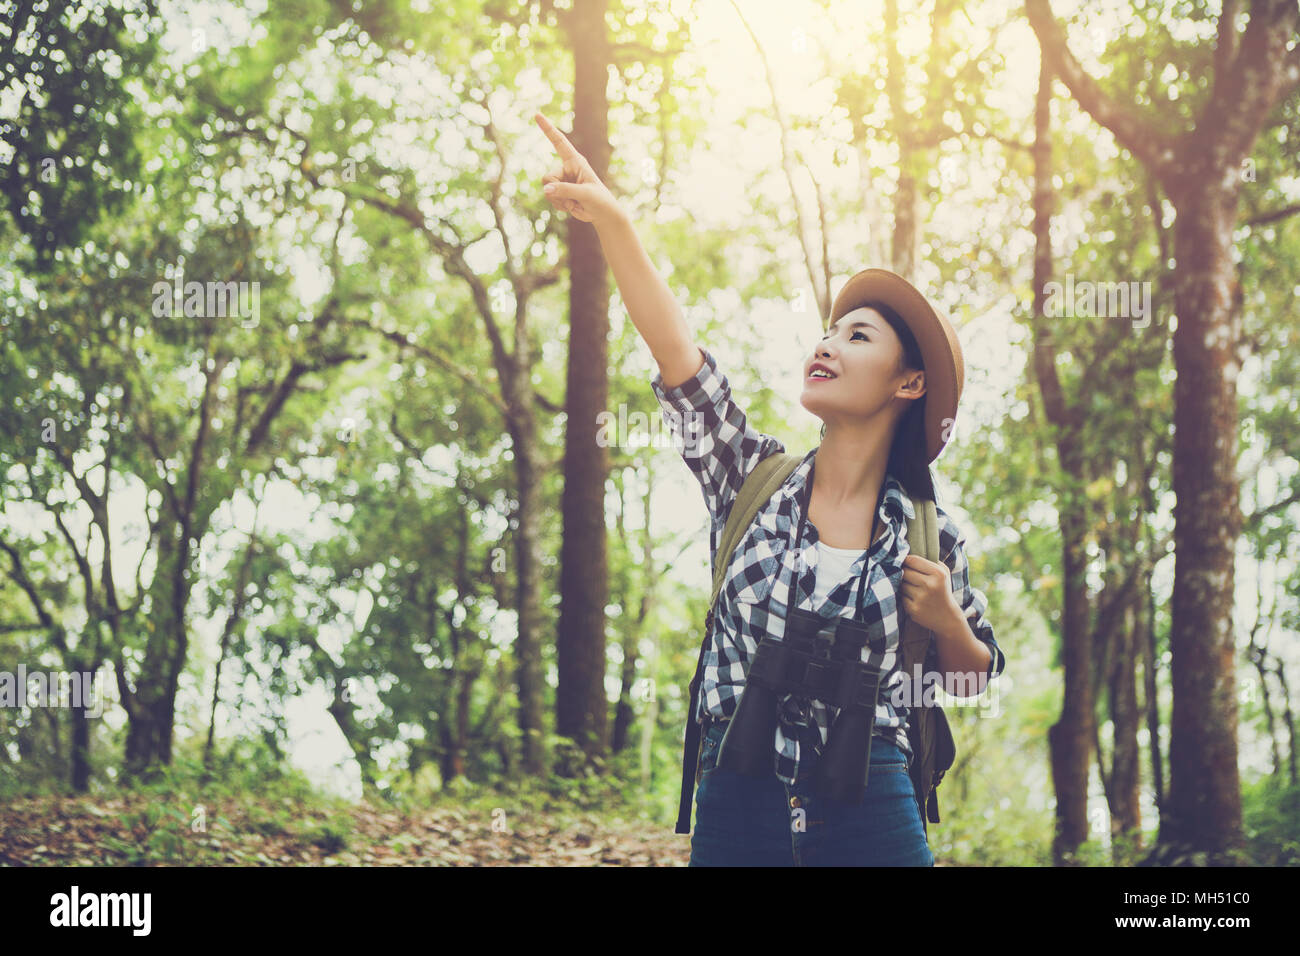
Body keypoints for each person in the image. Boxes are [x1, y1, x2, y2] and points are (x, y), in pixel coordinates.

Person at [535, 111, 1005, 866]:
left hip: (873, 793)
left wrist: (948, 617)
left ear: (909, 381)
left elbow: (972, 676)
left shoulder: (930, 536)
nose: (828, 343)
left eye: (858, 336)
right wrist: (614, 222)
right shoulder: (750, 482)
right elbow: (678, 356)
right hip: (737, 784)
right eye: (830, 329)